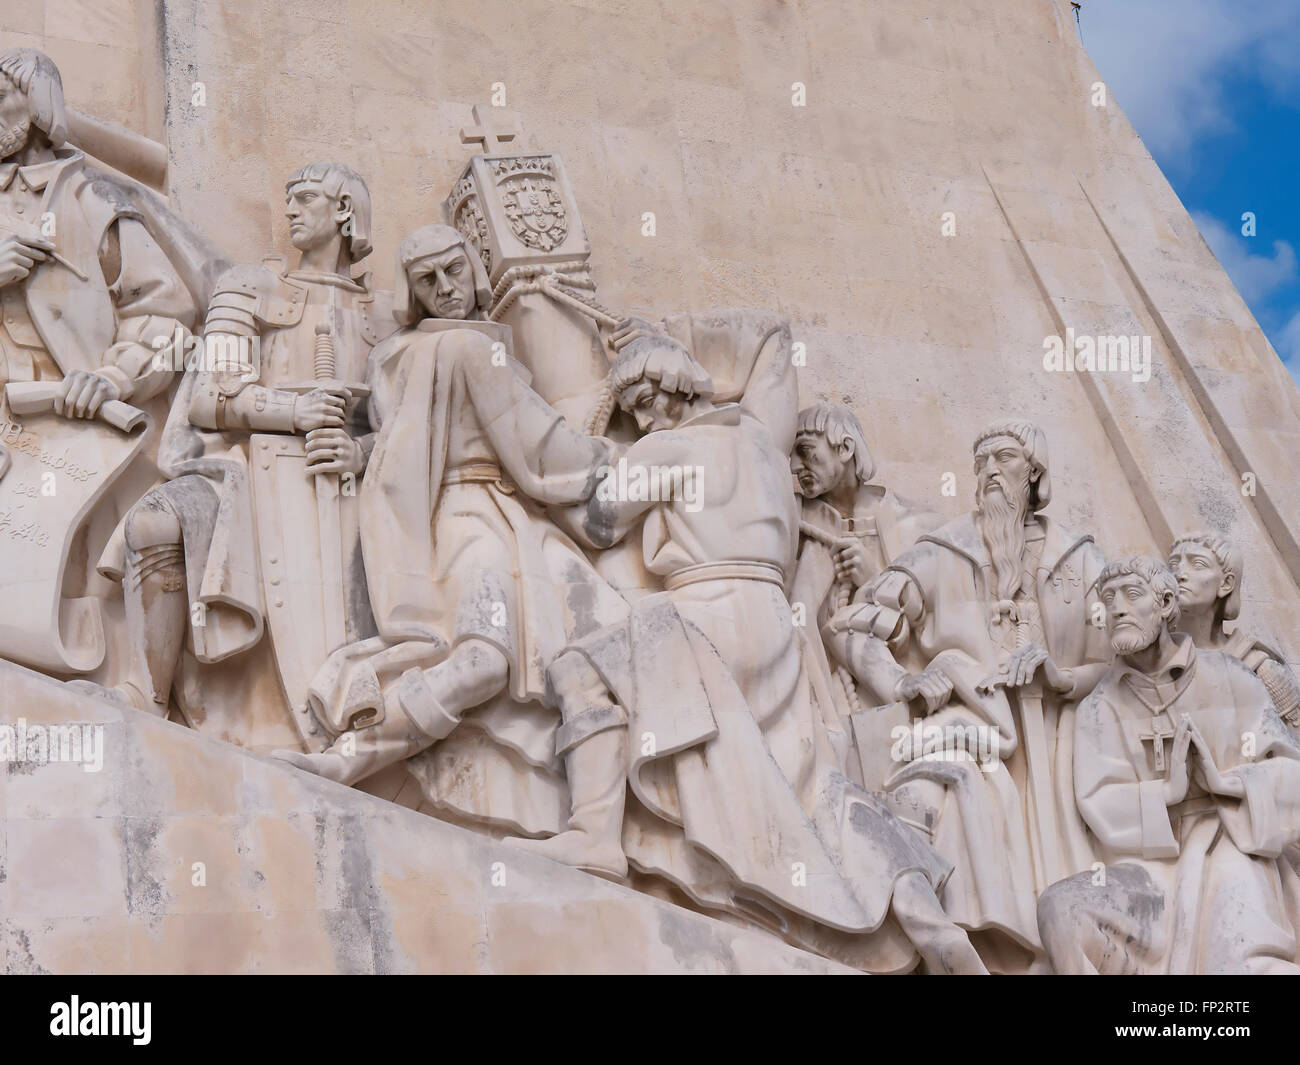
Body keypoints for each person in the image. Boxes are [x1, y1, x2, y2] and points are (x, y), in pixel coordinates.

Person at [1037, 556, 1300, 974]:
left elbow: (1290, 772)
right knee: (1061, 907)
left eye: (1131, 594)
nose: (1117, 608)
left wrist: (1228, 784)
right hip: (1148, 871)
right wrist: (1165, 794)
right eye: (1109, 599)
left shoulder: (1229, 675)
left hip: (1230, 845)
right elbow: (1098, 800)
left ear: (1164, 604)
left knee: (1234, 947)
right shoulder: (1099, 707)